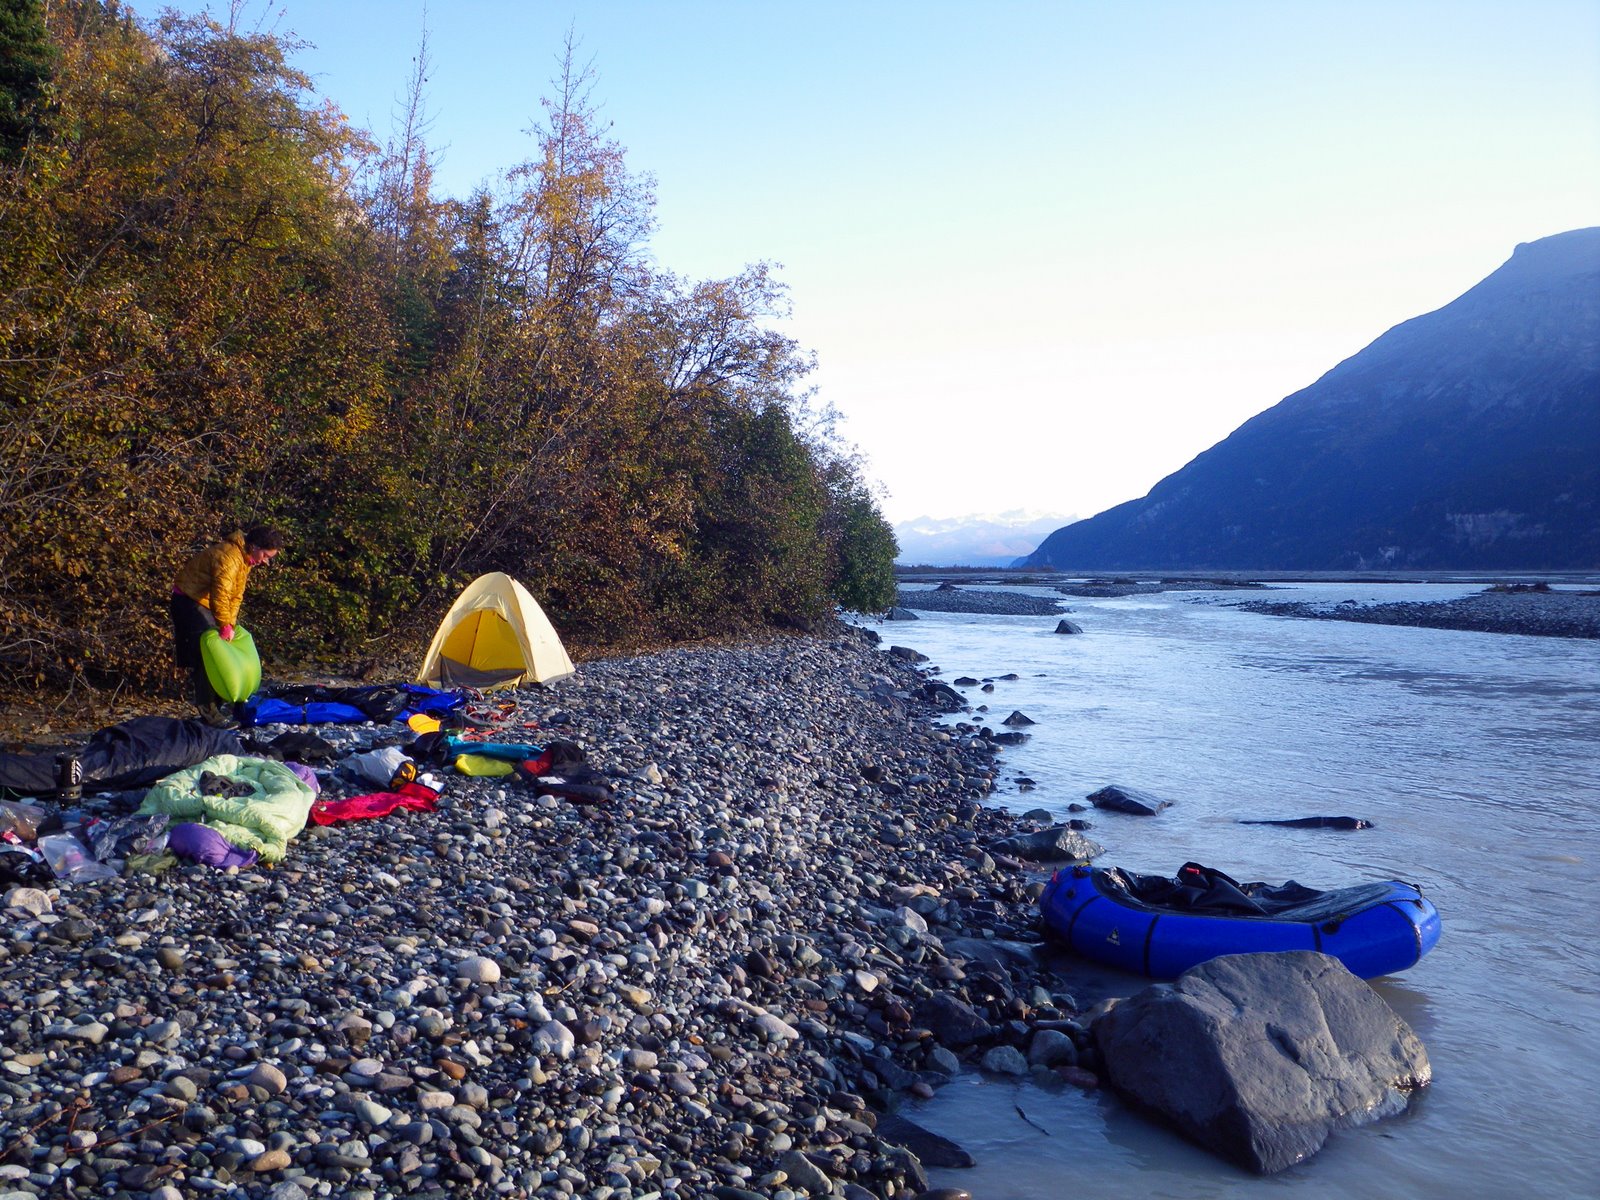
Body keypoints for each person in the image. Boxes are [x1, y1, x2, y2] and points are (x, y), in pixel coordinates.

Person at [170, 525, 284, 727]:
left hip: (205, 603)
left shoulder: (244, 560)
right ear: (255, 546)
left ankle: (226, 705)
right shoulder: (229, 558)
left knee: (225, 649)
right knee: (206, 656)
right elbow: (221, 595)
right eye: (266, 555)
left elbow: (236, 596)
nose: (266, 562)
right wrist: (224, 625)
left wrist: (230, 623)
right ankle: (210, 715)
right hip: (189, 601)